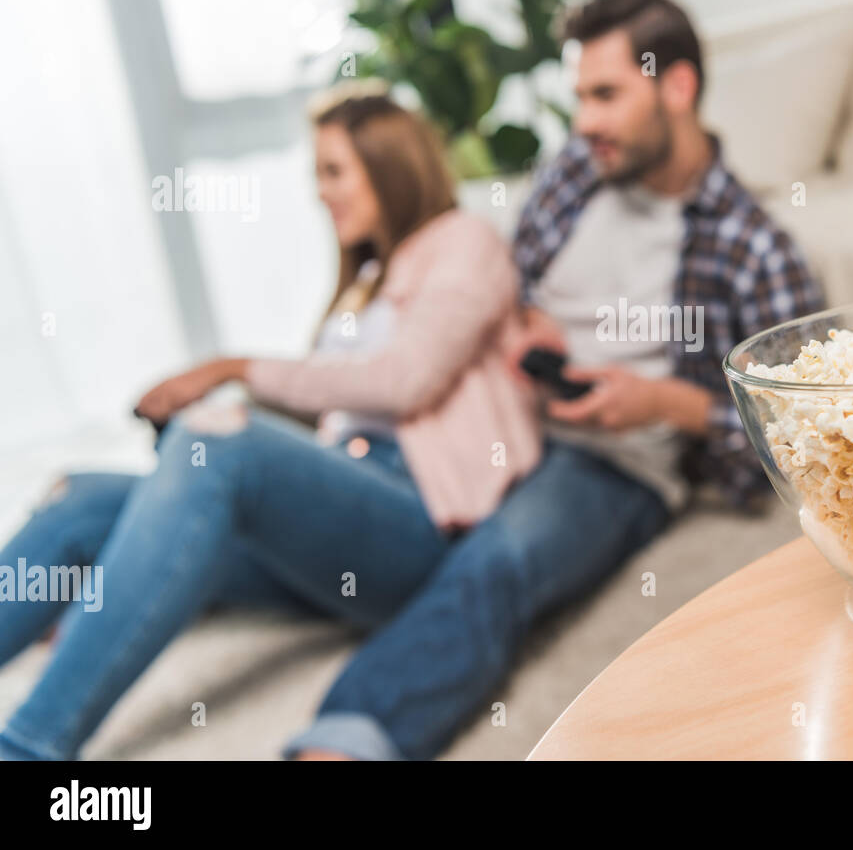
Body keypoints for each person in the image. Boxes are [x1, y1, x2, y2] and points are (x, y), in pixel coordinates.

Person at [286, 0, 826, 761]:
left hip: (613, 459)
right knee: (320, 486)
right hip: (506, 412)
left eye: (606, 95)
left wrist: (666, 403)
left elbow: (803, 440)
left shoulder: (756, 250)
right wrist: (528, 321)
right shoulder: (577, 171)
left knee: (499, 561)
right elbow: (510, 279)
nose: (584, 122)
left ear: (677, 87)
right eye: (578, 97)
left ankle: (343, 744)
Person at [0, 91, 541, 761]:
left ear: (391, 166)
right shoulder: (367, 277)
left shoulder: (463, 241)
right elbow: (333, 404)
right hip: (336, 524)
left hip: (419, 523)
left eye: (335, 171)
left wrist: (232, 370)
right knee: (83, 498)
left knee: (220, 442)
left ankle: (25, 747)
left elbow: (406, 379)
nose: (320, 192)